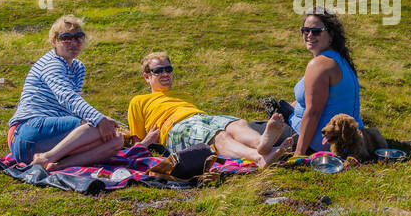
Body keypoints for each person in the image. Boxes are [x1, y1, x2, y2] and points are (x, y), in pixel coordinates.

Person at [125, 52, 293, 168]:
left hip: (200, 117)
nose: (165, 74)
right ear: (147, 76)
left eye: (168, 69)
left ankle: (262, 143)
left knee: (237, 124)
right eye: (158, 71)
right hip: (174, 128)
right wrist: (148, 140)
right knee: (218, 136)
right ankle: (258, 158)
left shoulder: (184, 95)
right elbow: (136, 146)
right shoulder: (139, 101)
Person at [7, 15, 125, 171]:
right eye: (66, 37)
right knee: (96, 125)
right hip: (26, 131)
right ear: (54, 41)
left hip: (50, 135)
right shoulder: (52, 64)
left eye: (79, 37)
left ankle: (56, 165)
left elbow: (71, 108)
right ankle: (46, 158)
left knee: (115, 140)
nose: (74, 42)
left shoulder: (78, 67)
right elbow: (68, 98)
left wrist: (102, 120)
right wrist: (99, 119)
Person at [289, 9, 361, 156]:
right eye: (305, 30)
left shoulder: (319, 65)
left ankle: (261, 154)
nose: (309, 35)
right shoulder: (340, 60)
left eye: (316, 31)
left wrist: (299, 153)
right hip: (349, 141)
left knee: (232, 129)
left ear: (331, 35)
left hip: (321, 141)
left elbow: (314, 112)